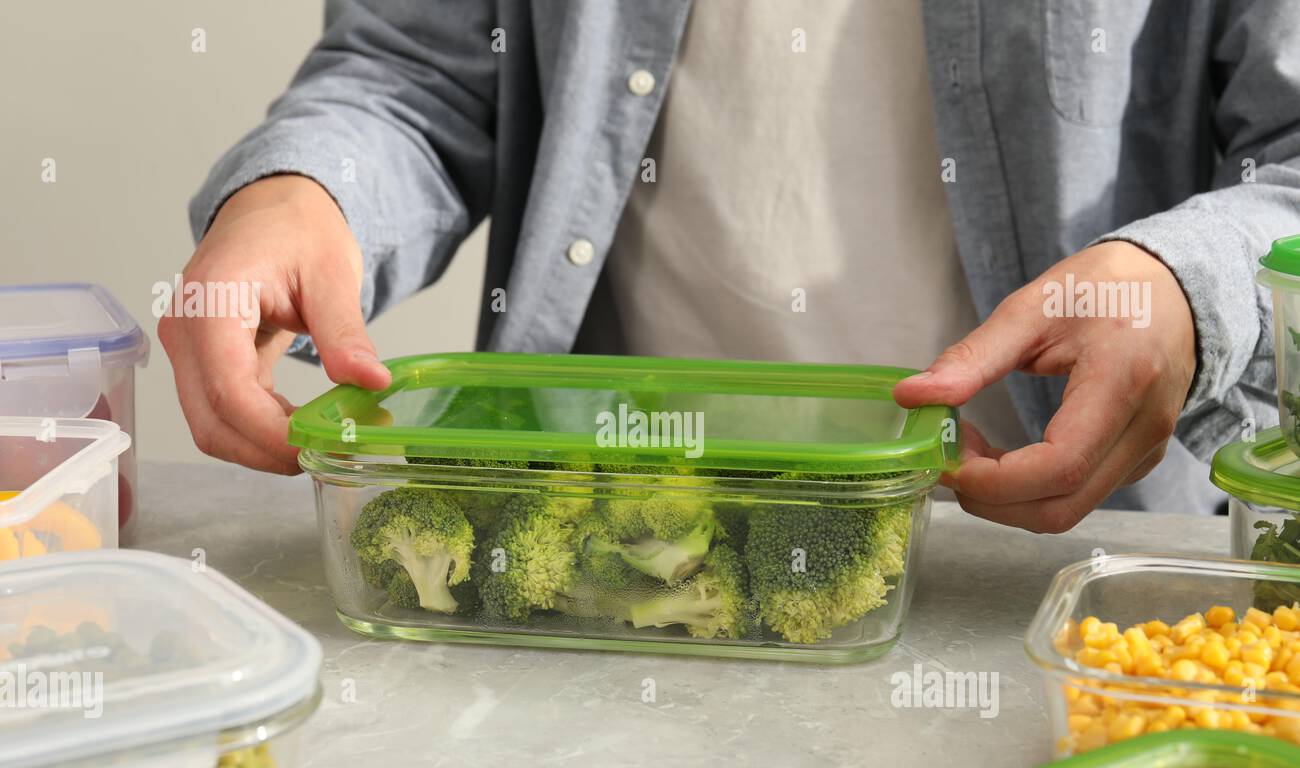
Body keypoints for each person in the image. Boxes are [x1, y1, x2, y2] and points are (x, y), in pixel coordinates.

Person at [162, 0, 1300, 532]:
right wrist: (298, 190)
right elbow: (416, 74)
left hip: (1079, 553)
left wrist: (1181, 296)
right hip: (608, 534)